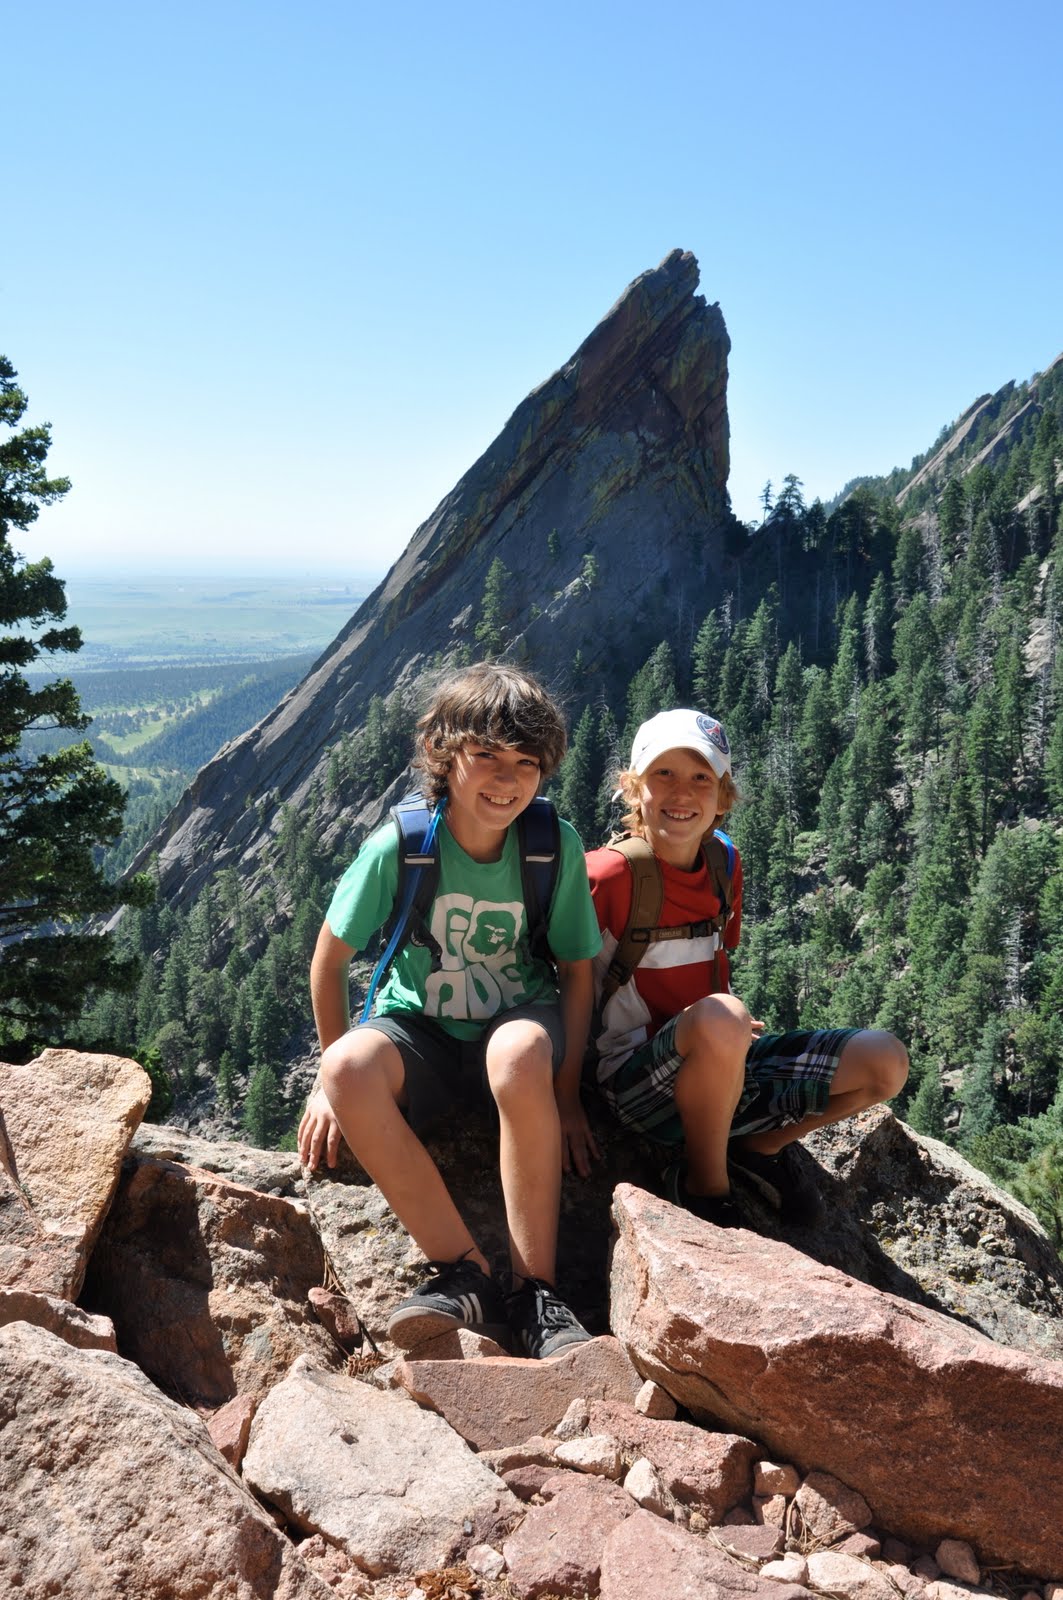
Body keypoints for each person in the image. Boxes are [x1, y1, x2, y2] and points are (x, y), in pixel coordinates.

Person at [298, 663, 603, 1357]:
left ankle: (536, 1292)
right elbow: (328, 961)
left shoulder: (550, 846)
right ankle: (466, 1272)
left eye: (526, 763)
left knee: (518, 1053)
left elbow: (578, 972)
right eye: (486, 756)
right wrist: (325, 1082)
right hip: (421, 1031)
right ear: (444, 755)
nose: (506, 779)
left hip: (516, 1020)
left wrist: (567, 1094)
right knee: (348, 1069)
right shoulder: (402, 846)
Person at [585, 708, 909, 1227]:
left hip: (716, 1064)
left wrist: (727, 1038)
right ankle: (705, 1184)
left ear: (722, 795)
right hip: (630, 1081)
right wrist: (563, 1102)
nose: (683, 793)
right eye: (663, 773)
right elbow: (568, 986)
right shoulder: (605, 874)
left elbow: (715, 959)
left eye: (701, 778)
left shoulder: (724, 862)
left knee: (885, 1062)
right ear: (634, 787)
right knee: (723, 1017)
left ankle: (759, 1146)